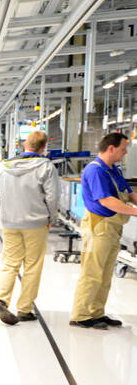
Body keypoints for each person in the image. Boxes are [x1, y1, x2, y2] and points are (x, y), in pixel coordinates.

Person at [0, 130, 57, 325]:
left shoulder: (3, 166)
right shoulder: (46, 166)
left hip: (10, 224)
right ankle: (25, 309)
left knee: (10, 262)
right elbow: (52, 197)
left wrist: (3, 212)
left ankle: (0, 299)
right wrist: (51, 217)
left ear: (25, 145)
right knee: (32, 265)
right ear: (43, 148)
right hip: (36, 224)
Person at [69, 132, 137, 328]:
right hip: (99, 226)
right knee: (92, 272)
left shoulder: (113, 170)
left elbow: (130, 194)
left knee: (105, 273)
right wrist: (134, 212)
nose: (125, 152)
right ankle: (81, 315)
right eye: (123, 149)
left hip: (113, 227)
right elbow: (106, 200)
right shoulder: (95, 171)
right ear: (111, 148)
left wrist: (134, 205)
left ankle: (96, 312)